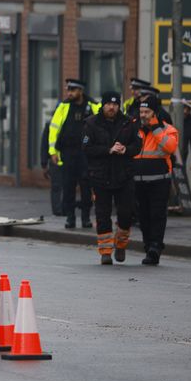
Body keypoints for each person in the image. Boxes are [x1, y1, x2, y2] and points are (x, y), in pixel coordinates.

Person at [82, 92, 140, 264]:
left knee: (126, 213)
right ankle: (106, 251)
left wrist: (125, 150)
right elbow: (86, 148)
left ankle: (120, 244)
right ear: (103, 105)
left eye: (115, 104)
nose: (112, 107)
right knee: (102, 215)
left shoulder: (128, 122)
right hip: (100, 176)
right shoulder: (91, 123)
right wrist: (108, 149)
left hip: (124, 175)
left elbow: (137, 146)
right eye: (108, 104)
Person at [48, 78, 101, 229]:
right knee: (68, 186)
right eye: (68, 90)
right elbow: (53, 129)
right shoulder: (63, 106)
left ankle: (85, 218)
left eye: (72, 90)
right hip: (68, 153)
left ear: (80, 91)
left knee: (86, 187)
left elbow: (102, 127)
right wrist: (53, 151)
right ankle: (70, 217)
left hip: (86, 154)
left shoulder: (93, 106)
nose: (69, 93)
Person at [134, 95, 178, 265]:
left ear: (155, 113)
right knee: (143, 217)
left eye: (147, 112)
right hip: (138, 181)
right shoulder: (135, 129)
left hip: (159, 181)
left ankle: (155, 247)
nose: (143, 115)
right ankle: (148, 245)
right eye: (141, 111)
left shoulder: (167, 129)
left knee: (157, 215)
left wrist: (156, 129)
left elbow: (171, 147)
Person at [40, 120, 63, 216]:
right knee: (56, 186)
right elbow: (45, 145)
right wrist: (44, 164)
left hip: (69, 160)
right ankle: (57, 210)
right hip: (55, 161)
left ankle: (62, 209)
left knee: (65, 187)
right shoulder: (50, 124)